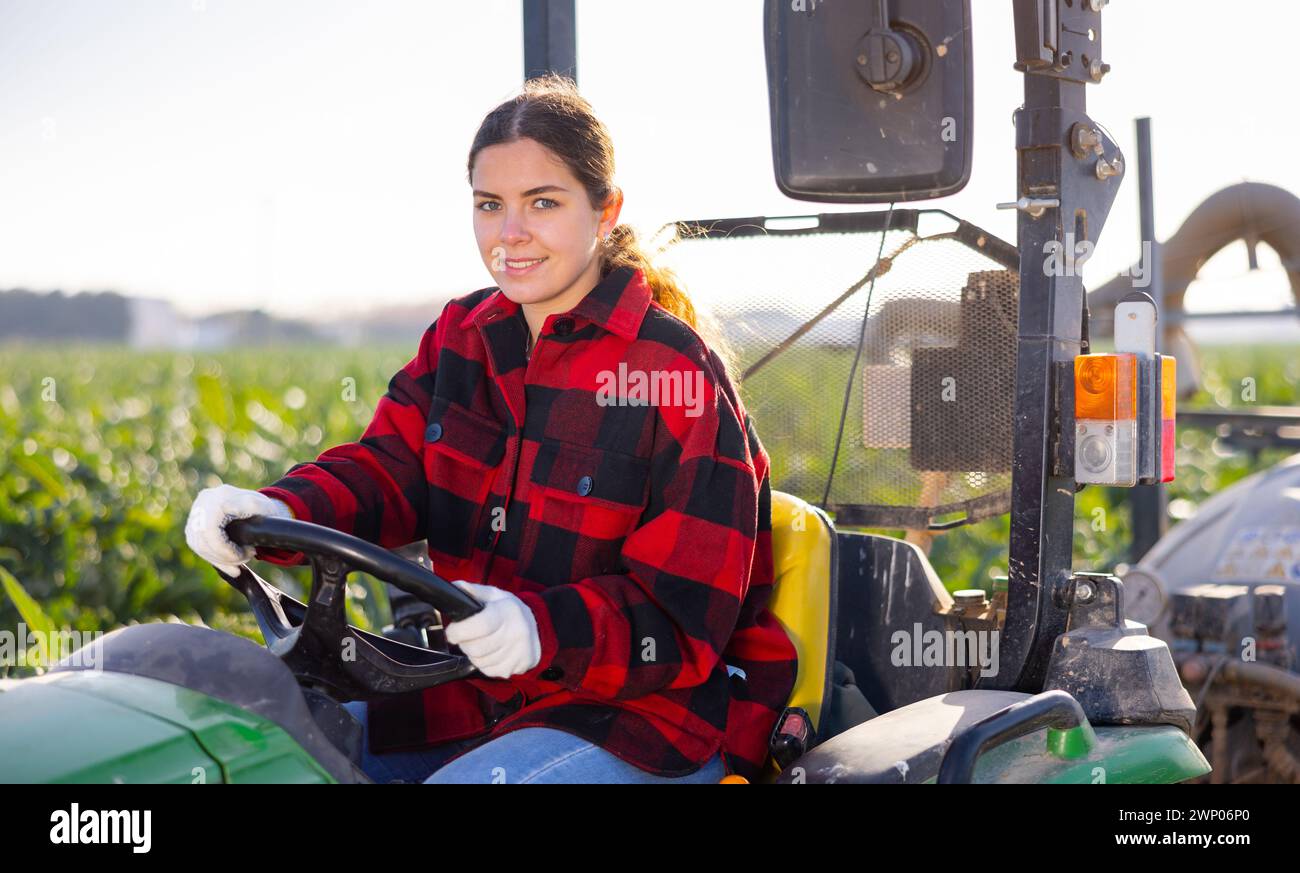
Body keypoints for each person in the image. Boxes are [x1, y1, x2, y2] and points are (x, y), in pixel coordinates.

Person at [185, 75, 797, 784]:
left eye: (543, 202)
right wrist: (281, 507)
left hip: (642, 718)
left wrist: (541, 627)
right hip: (469, 692)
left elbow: (686, 619)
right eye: (490, 205)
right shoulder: (462, 338)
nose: (511, 233)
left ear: (606, 209)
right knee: (268, 754)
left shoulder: (672, 371)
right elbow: (388, 468)